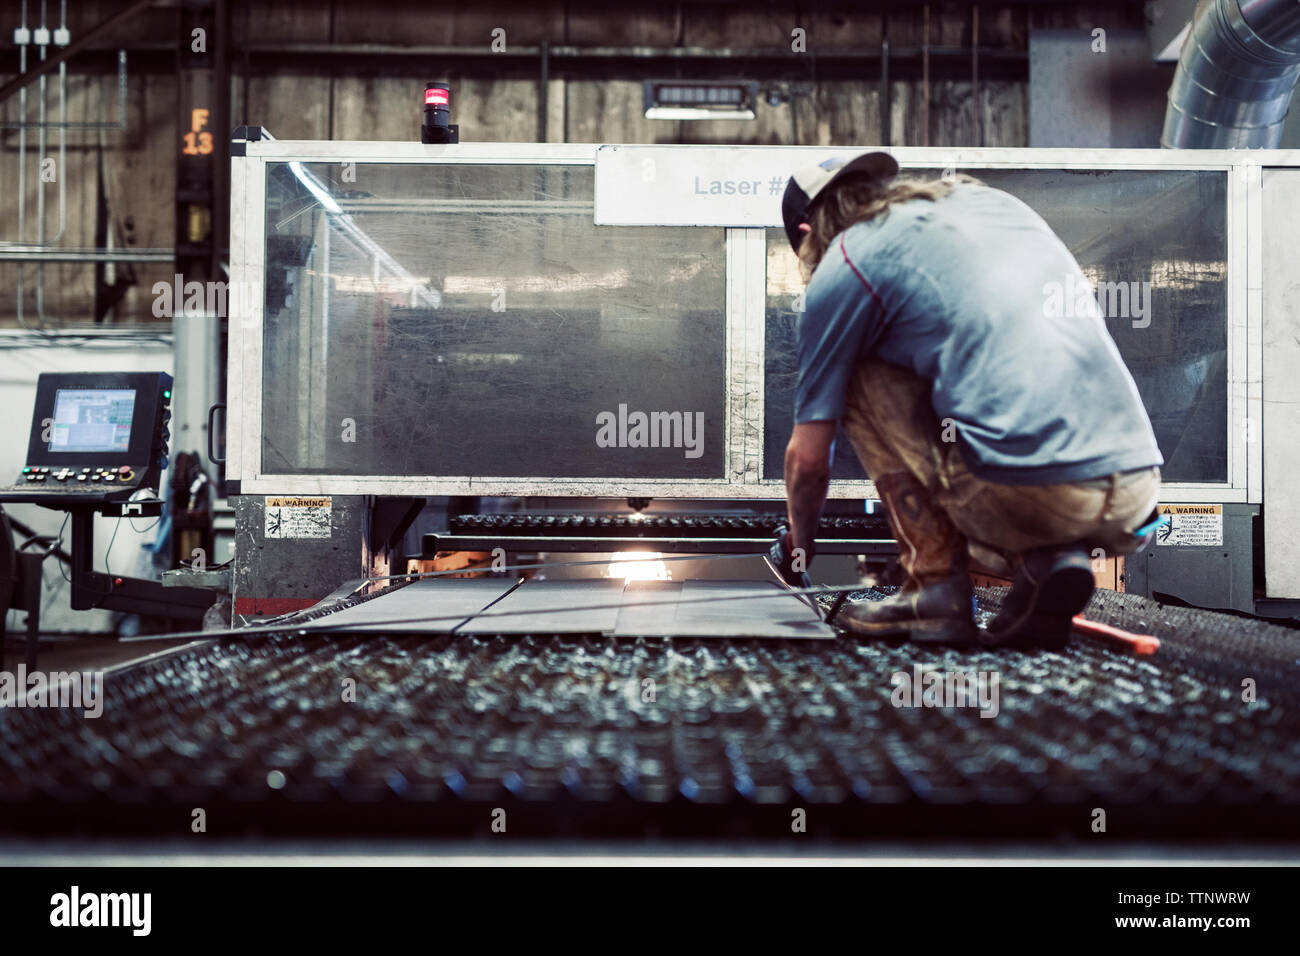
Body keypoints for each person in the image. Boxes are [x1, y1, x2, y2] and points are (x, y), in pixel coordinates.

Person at [766, 152, 1163, 648]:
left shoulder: (844, 260)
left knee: (855, 368)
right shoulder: (990, 204)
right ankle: (1047, 562)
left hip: (1027, 497)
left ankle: (935, 586)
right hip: (1137, 495)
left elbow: (807, 461)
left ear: (807, 234)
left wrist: (797, 547)